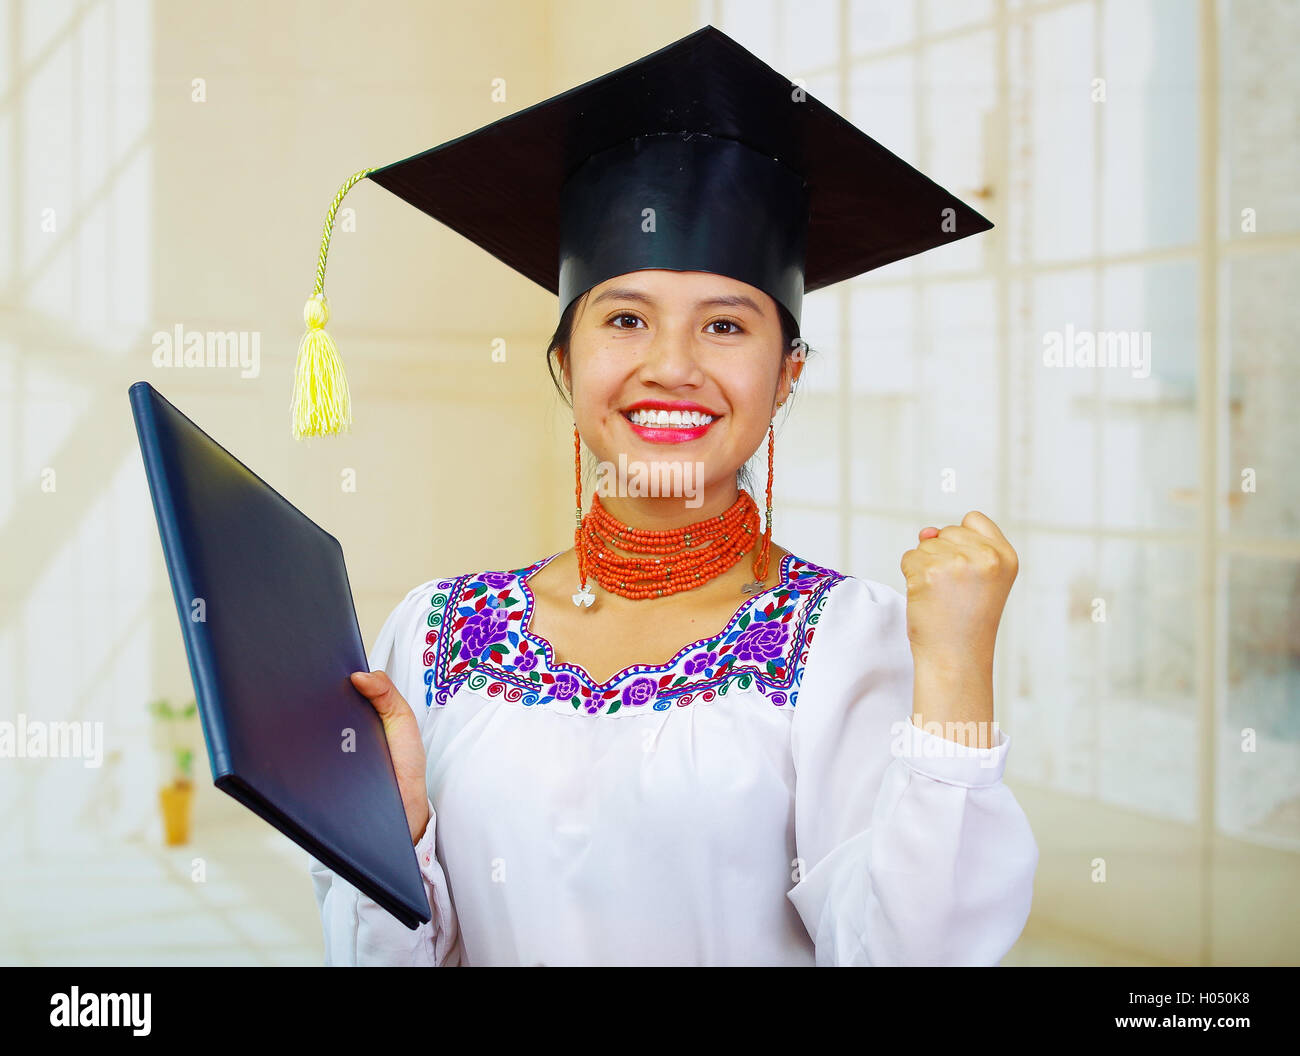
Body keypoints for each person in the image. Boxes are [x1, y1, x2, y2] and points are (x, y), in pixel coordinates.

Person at [302, 25, 1037, 966]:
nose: (672, 367)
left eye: (726, 325)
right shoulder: (434, 635)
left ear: (786, 376)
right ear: (567, 363)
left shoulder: (850, 642)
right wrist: (393, 840)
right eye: (625, 319)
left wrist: (957, 676)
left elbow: (908, 955)